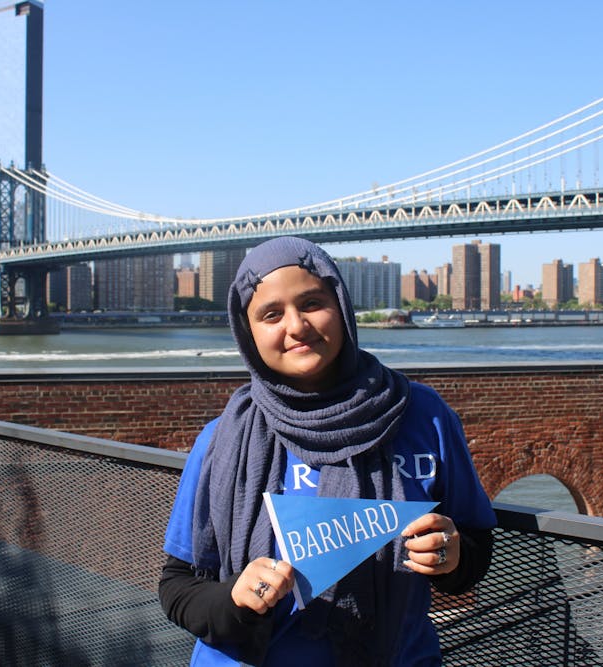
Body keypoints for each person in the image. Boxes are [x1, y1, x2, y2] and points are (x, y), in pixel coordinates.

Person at [159, 237, 496, 666]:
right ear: (248, 333)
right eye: (271, 314)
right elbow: (177, 586)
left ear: (341, 306)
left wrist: (453, 555)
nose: (296, 326)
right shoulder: (222, 439)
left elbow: (475, 546)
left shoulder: (424, 416)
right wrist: (234, 597)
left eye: (312, 303)